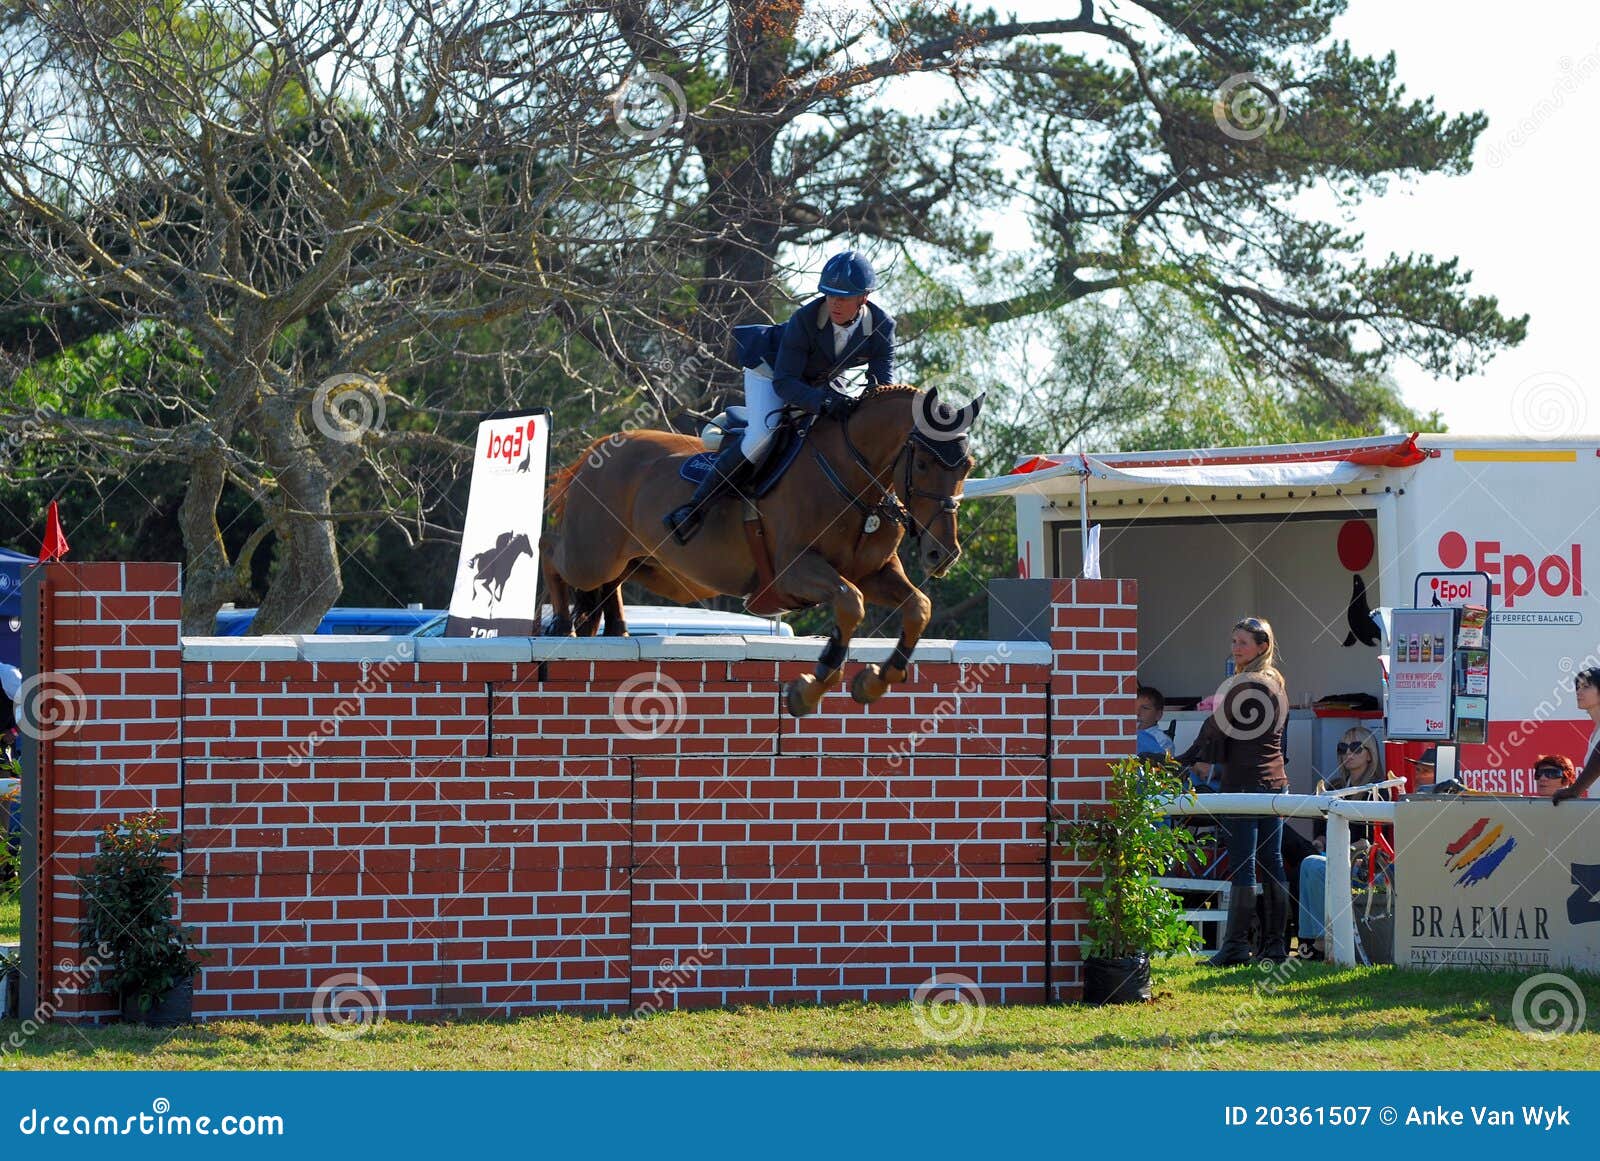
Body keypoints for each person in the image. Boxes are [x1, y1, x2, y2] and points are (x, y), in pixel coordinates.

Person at [663, 250, 897, 544]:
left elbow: (882, 389)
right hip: (771, 372)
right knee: (762, 435)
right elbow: (785, 383)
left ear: (864, 298)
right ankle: (695, 507)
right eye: (829, 294)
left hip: (820, 375)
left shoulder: (881, 327)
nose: (834, 302)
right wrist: (824, 402)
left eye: (844, 297)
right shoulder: (806, 320)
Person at [1177, 615, 1290, 966]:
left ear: (1262, 647)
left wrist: (1179, 761)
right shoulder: (1275, 682)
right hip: (1276, 782)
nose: (1236, 648)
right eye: (1233, 641)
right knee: (1272, 862)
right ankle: (1275, 946)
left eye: (1243, 643)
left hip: (1244, 784)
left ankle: (1237, 946)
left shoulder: (1244, 684)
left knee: (1245, 864)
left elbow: (1213, 731)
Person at [1299, 727, 1386, 960]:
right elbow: (1322, 831)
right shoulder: (1334, 786)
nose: (1349, 753)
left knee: (1314, 866)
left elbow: (1372, 840)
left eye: (1356, 748)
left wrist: (1340, 848)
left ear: (1370, 754)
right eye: (1343, 748)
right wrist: (1319, 841)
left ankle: (1319, 941)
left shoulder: (1378, 789)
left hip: (1363, 863)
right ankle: (1311, 941)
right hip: (1332, 854)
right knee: (1307, 862)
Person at [1553, 665, 1600, 804]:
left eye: (1586, 686)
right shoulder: (1594, 732)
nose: (1579, 691)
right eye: (1577, 687)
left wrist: (1575, 790)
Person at [1135, 685, 1173, 758]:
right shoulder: (1124, 736)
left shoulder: (1163, 741)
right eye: (1132, 707)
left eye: (1145, 708)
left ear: (1158, 715)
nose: (1137, 713)